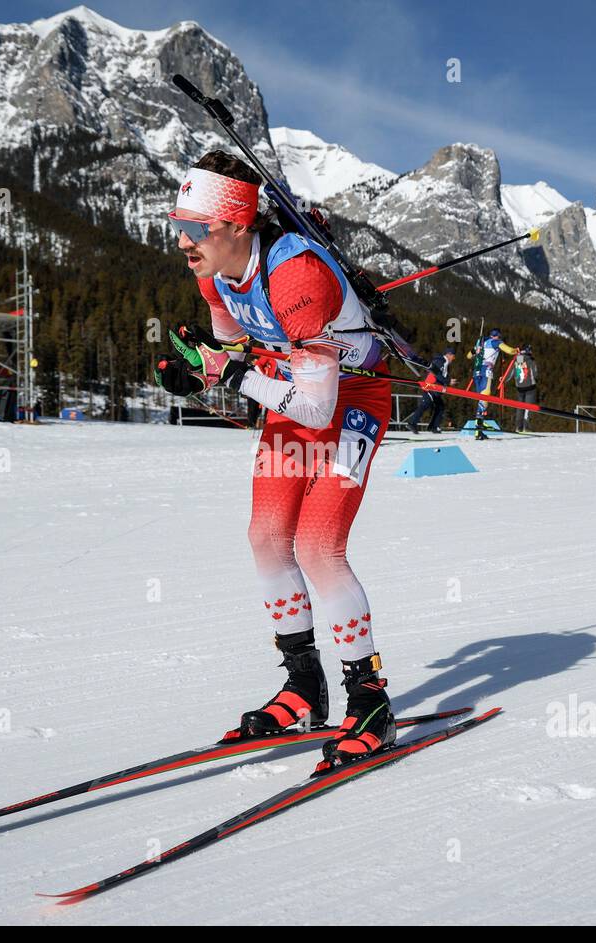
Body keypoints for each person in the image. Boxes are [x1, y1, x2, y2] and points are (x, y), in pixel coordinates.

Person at [155, 150, 395, 768]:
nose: (184, 242)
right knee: (267, 538)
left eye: (194, 229)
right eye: (177, 226)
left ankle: (368, 703)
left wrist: (232, 373)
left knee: (318, 546)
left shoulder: (297, 277)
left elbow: (319, 410)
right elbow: (234, 346)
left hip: (352, 399)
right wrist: (201, 373)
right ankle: (304, 685)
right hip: (293, 392)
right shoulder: (213, 274)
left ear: (236, 225)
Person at [469, 328, 517, 439]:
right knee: (485, 397)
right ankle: (479, 427)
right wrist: (517, 350)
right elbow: (509, 351)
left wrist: (475, 351)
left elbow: (468, 356)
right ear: (497, 336)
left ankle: (479, 425)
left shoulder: (481, 343)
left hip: (476, 372)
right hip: (486, 371)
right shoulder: (495, 342)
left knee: (482, 398)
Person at [405, 349, 454, 434]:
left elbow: (441, 375)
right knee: (424, 405)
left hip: (435, 389)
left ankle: (433, 427)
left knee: (440, 406)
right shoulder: (440, 361)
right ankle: (412, 423)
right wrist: (448, 381)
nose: (453, 359)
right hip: (430, 387)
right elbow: (437, 375)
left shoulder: (444, 363)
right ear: (449, 354)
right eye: (453, 356)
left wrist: (447, 382)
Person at [509, 344, 538, 432]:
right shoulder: (530, 360)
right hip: (530, 387)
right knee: (528, 407)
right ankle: (526, 427)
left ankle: (518, 427)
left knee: (519, 407)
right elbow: (535, 373)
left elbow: (512, 372)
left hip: (519, 387)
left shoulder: (518, 359)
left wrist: (504, 380)